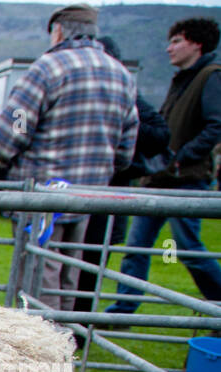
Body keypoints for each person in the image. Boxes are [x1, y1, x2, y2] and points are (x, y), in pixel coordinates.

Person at [0, 5, 136, 313]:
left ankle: (41, 345)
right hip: (90, 195)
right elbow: (127, 145)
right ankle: (63, 342)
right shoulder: (121, 76)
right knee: (69, 272)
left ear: (58, 31)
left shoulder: (47, 69)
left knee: (38, 273)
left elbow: (15, 129)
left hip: (43, 196)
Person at [106, 16, 221, 315]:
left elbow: (216, 125)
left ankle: (220, 303)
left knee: (188, 249)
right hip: (159, 179)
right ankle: (123, 309)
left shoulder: (210, 77)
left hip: (185, 179)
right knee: (136, 248)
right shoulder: (182, 79)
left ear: (196, 43)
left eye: (176, 41)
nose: (169, 48)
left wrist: (181, 156)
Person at [72, 37, 170, 315]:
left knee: (90, 261)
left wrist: (119, 127)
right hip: (72, 191)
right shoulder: (78, 92)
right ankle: (57, 324)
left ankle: (78, 326)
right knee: (59, 259)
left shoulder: (126, 93)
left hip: (105, 195)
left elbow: (160, 135)